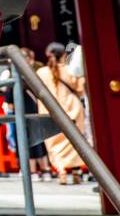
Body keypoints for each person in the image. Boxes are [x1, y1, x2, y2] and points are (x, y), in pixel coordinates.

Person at [35, 42, 88, 184]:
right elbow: (80, 89)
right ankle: (76, 173)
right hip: (72, 109)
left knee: (54, 143)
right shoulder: (71, 70)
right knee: (75, 141)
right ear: (64, 55)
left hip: (50, 111)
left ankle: (62, 172)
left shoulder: (41, 72)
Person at [1, 48, 53, 181]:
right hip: (38, 110)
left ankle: (32, 172)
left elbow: (9, 99)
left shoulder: (15, 75)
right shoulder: (38, 73)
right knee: (39, 140)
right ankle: (45, 170)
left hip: (22, 112)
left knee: (25, 141)